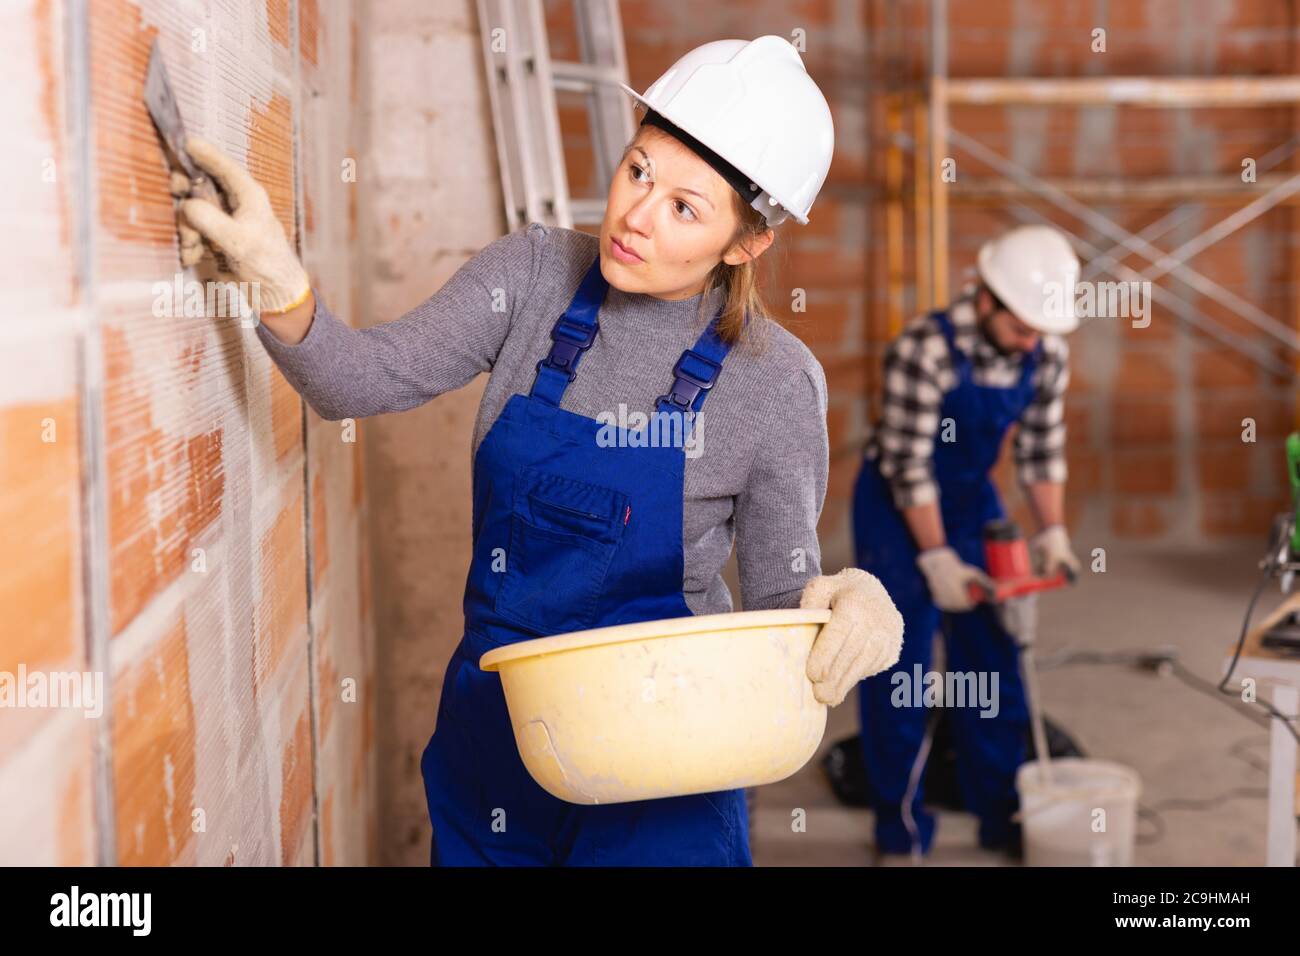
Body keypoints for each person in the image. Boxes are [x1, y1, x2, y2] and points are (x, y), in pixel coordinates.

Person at [171, 35, 904, 867]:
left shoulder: (774, 385)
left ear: (745, 245)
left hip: (667, 765)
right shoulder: (530, 275)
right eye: (638, 171)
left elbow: (781, 603)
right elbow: (361, 381)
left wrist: (846, 597)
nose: (634, 216)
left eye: (684, 209)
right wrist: (275, 278)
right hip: (498, 739)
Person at [852, 224, 1083, 861]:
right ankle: (899, 832)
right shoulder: (924, 350)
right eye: (1020, 327)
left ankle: (1002, 819)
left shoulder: (1045, 351)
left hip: (971, 497)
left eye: (1041, 329)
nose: (1031, 341)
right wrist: (936, 557)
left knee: (994, 657)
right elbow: (908, 465)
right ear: (984, 298)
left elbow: (1040, 450)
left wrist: (1053, 532)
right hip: (898, 505)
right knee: (901, 668)